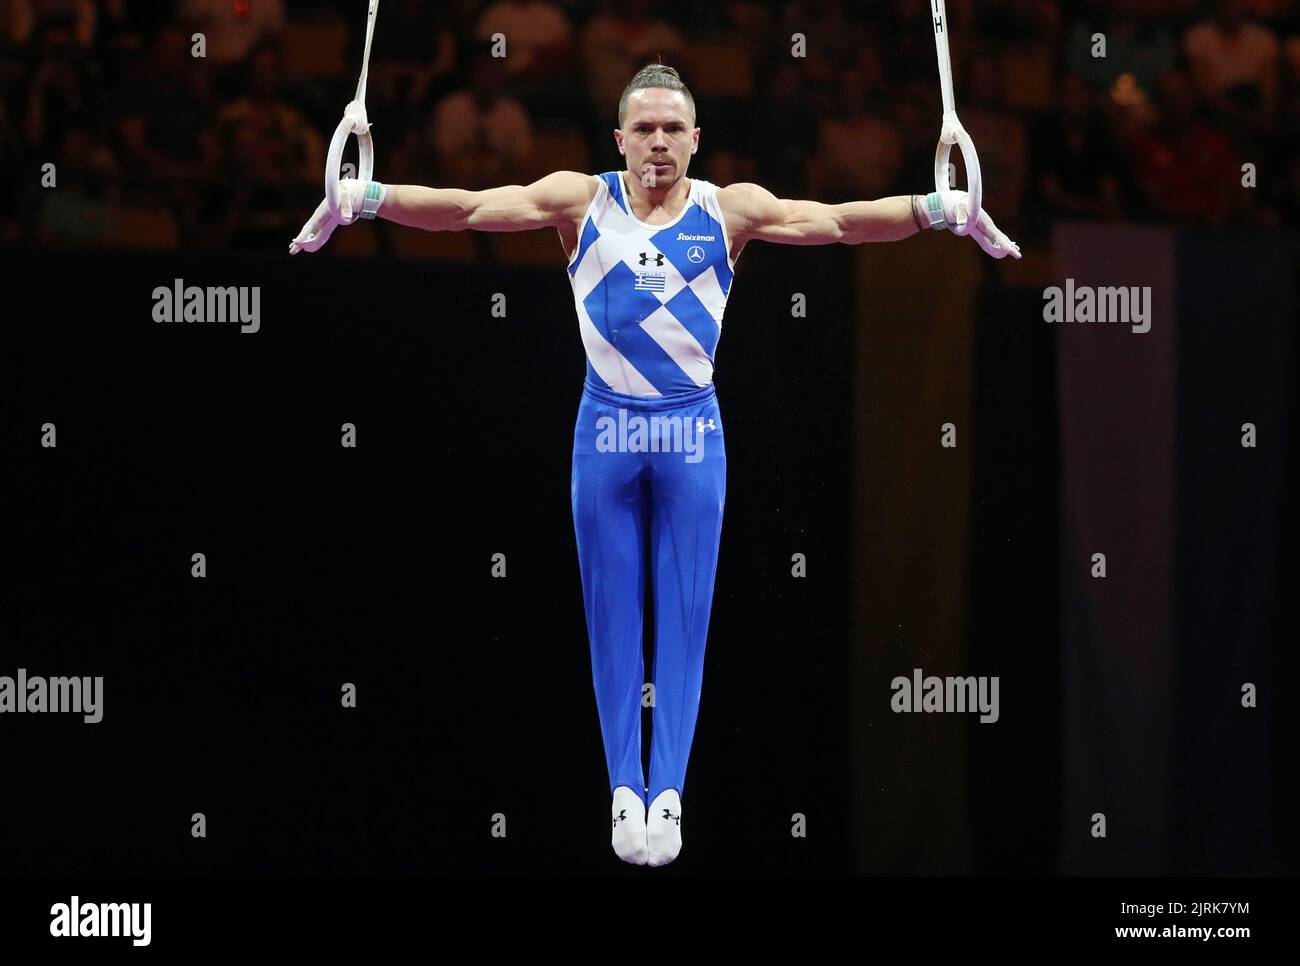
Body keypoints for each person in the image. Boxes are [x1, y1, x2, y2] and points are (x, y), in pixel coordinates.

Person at [290, 63, 1019, 867]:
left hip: (691, 435)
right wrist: (364, 197)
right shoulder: (580, 200)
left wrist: (940, 209)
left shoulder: (728, 209)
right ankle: (621, 790)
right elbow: (465, 211)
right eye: (645, 128)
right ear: (620, 139)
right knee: (612, 619)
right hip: (604, 430)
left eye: (674, 129)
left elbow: (840, 223)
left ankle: (665, 791)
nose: (660, 142)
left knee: (683, 617)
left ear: (697, 139)